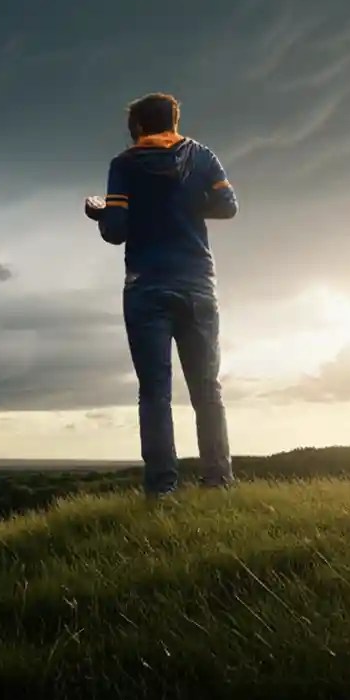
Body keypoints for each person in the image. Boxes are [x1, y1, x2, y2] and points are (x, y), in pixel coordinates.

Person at [84, 92, 238, 499]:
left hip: (147, 286)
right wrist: (181, 204)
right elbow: (228, 206)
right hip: (198, 284)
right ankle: (219, 482)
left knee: (155, 391)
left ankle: (162, 490)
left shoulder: (124, 164)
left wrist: (100, 212)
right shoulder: (203, 156)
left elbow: (116, 231)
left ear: (137, 126)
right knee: (207, 389)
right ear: (175, 119)